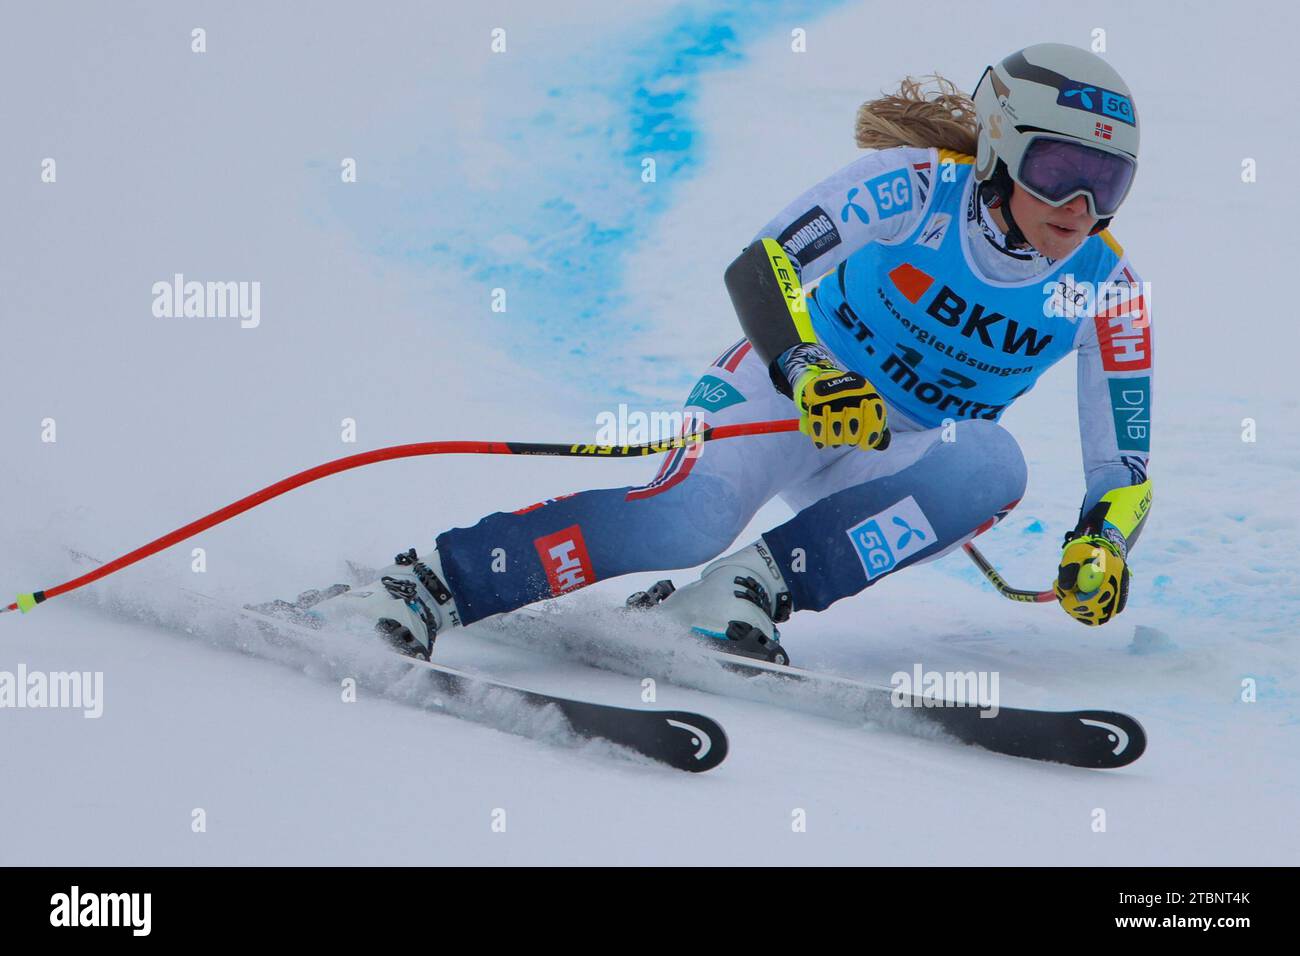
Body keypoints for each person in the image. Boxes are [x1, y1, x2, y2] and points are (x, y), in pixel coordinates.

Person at [282, 42, 1154, 663]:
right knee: (683, 520)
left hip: (896, 451)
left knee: (992, 464)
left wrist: (1103, 547)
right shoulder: (917, 186)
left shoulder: (1106, 287)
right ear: (1001, 149)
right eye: (1057, 171)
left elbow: (1125, 468)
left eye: (1106, 182)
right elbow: (762, 264)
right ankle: (428, 585)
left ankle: (742, 594)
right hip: (785, 394)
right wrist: (808, 366)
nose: (1079, 204)